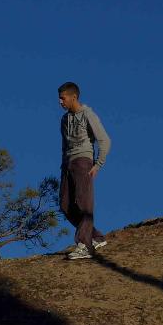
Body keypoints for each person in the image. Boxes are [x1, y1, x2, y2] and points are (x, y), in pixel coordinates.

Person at [57, 81, 111, 260]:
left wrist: (98, 164)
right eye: (59, 98)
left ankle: (84, 245)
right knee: (65, 206)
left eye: (63, 98)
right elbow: (64, 145)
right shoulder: (65, 119)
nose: (60, 102)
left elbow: (104, 140)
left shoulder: (88, 115)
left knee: (84, 204)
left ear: (74, 97)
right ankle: (95, 237)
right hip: (68, 164)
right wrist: (64, 165)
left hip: (83, 162)